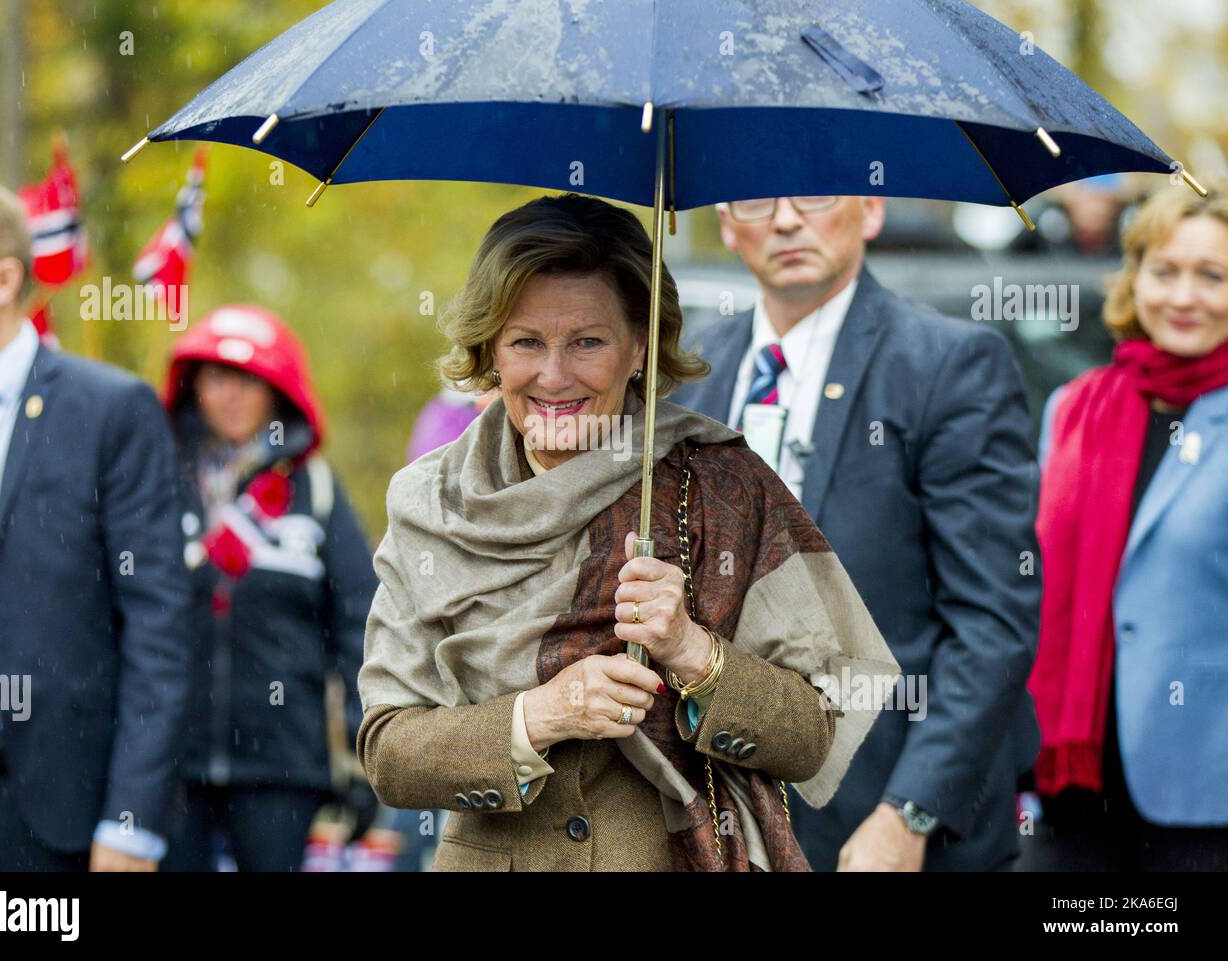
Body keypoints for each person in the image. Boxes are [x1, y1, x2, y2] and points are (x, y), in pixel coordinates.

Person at [355, 193, 898, 872]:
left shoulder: (719, 481)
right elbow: (388, 750)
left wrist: (695, 653)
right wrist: (541, 714)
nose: (554, 375)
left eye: (587, 341)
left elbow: (812, 732)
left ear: (638, 346)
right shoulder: (429, 503)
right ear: (491, 348)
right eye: (526, 341)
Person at [671, 195, 1042, 871]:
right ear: (724, 222)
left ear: (870, 210)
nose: (786, 220)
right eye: (756, 200)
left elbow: (993, 624)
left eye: (813, 196)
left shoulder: (950, 365)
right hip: (722, 819)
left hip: (886, 825)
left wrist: (911, 811)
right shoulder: (689, 373)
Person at [0, 177, 191, 871]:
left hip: (54, 811)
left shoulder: (109, 411)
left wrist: (131, 822)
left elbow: (159, 627)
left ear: (3, 279)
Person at [1023, 183, 1228, 872]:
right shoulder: (1074, 408)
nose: (1182, 296)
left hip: (1204, 796)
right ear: (1133, 276)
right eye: (1163, 270)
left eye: (1212, 276)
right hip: (1071, 783)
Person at [159, 304, 377, 872]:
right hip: (168, 766)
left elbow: (363, 628)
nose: (231, 395)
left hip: (283, 768)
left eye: (249, 380)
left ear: (278, 393)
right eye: (216, 378)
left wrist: (365, 758)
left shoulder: (318, 492)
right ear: (194, 387)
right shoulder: (155, 482)